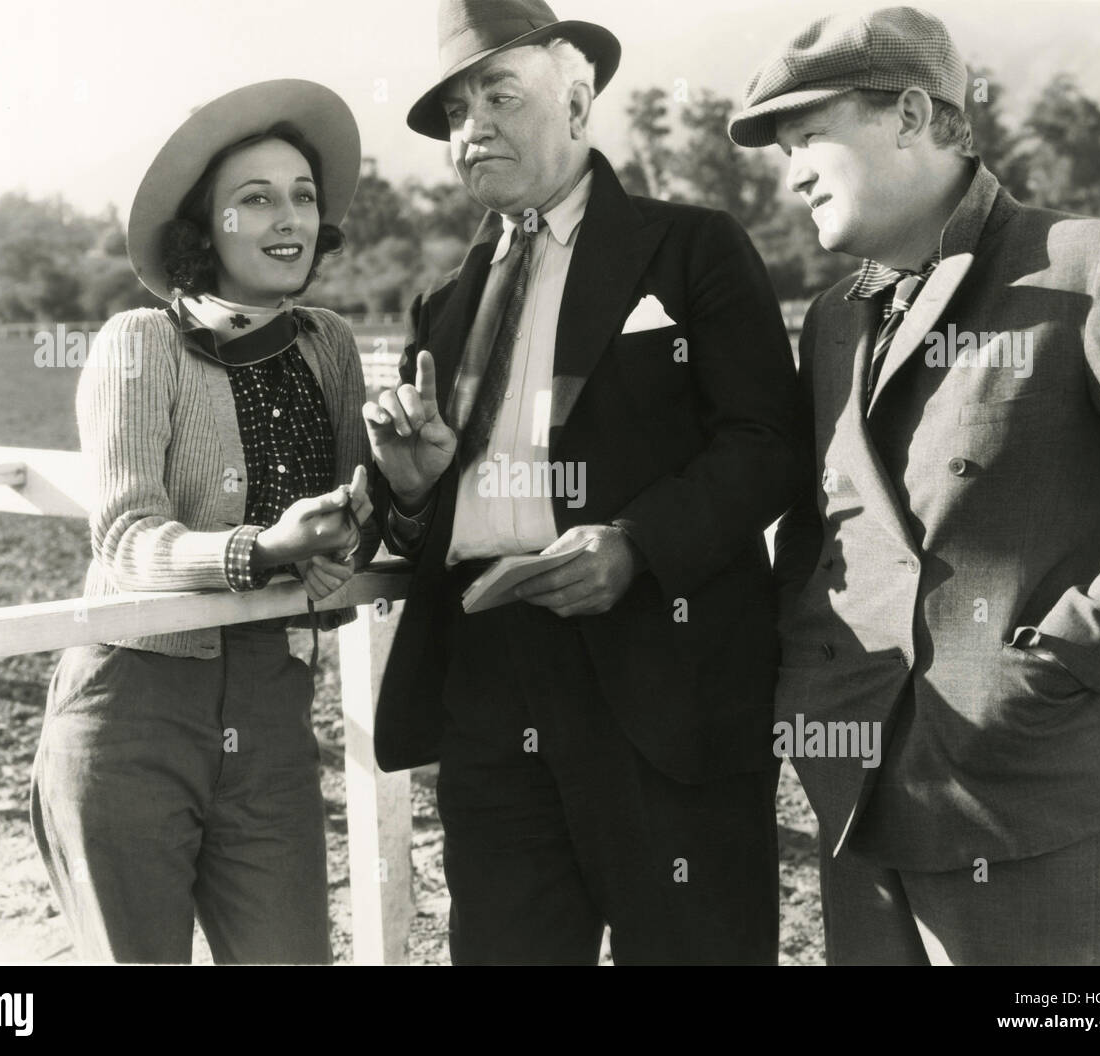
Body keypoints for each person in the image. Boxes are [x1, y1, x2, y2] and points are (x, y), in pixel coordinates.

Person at [729, 6, 1100, 965]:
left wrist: (1054, 667)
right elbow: (825, 533)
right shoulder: (834, 320)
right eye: (782, 151)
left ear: (910, 115)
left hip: (1027, 786)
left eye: (811, 136)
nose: (794, 170)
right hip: (855, 780)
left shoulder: (1095, 267)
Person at [365, 0, 800, 965]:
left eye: (497, 95)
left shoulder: (693, 248)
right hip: (488, 685)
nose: (471, 125)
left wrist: (637, 544)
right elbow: (420, 506)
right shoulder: (443, 302)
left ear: (576, 98)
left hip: (661, 674)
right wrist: (411, 486)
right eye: (453, 112)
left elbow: (767, 440)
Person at [30, 79, 377, 964]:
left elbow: (342, 545)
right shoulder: (137, 345)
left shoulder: (328, 346)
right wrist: (264, 549)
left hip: (273, 711)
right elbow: (124, 539)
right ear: (202, 229)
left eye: (302, 195)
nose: (287, 216)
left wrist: (373, 516)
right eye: (253, 199)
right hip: (133, 706)